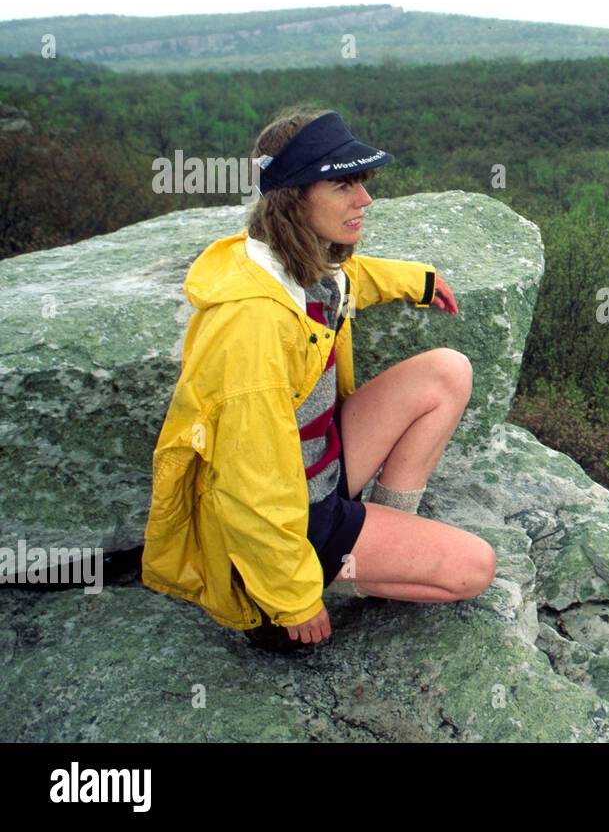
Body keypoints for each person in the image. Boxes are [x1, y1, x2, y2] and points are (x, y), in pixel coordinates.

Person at [142, 106, 496, 653]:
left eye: (361, 181)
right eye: (342, 184)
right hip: (292, 513)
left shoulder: (293, 264)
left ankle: (379, 528)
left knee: (447, 370)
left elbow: (345, 279)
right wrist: (293, 599)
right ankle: (313, 577)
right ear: (292, 197)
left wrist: (416, 280)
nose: (365, 199)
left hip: (321, 468)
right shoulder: (251, 324)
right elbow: (249, 486)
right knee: (476, 568)